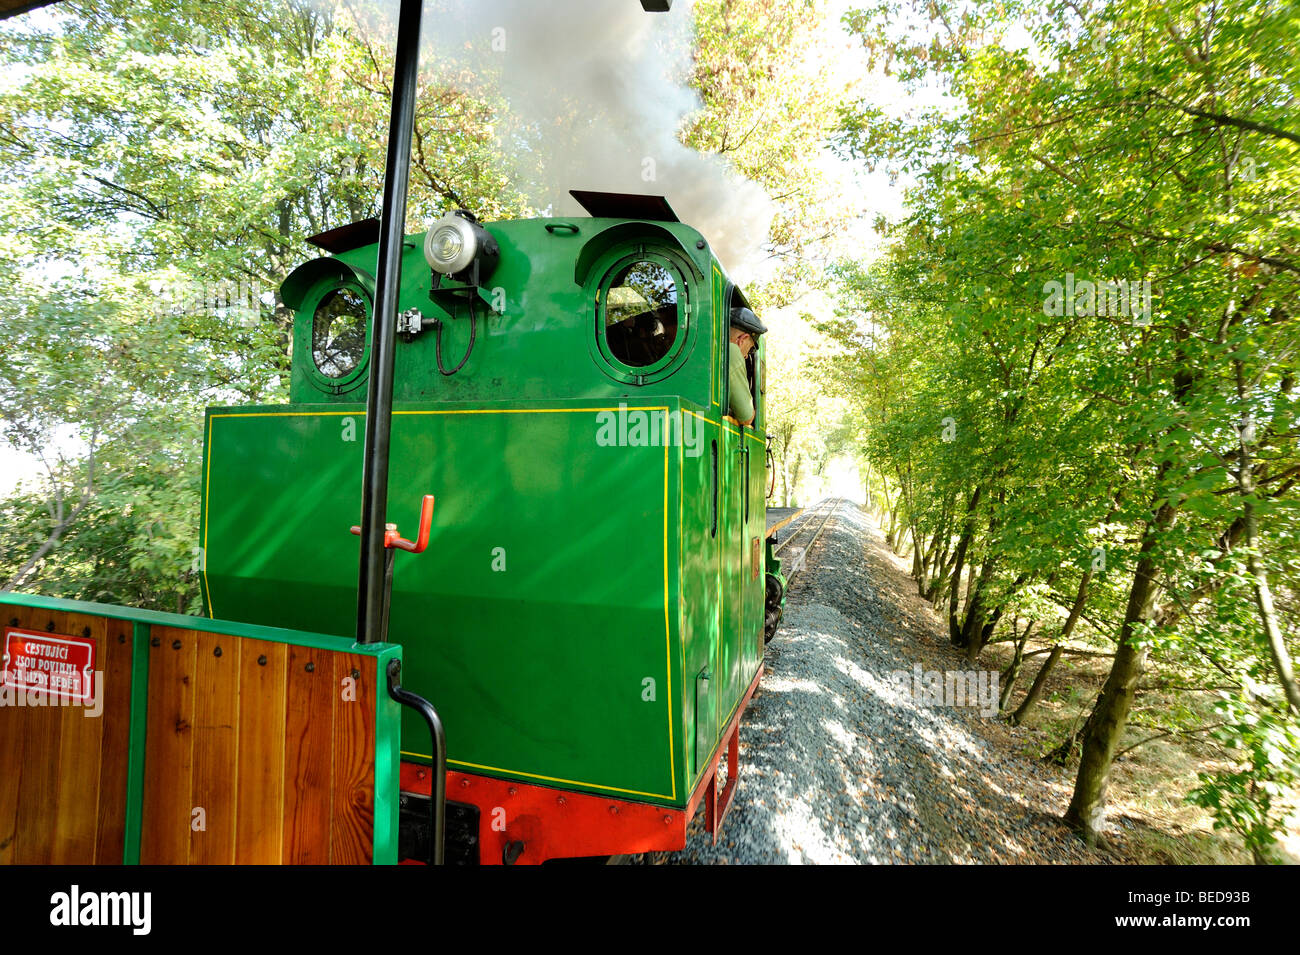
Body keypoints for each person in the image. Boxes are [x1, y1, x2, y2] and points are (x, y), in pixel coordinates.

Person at [727, 306, 766, 426]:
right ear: (742, 339)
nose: (745, 357)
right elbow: (746, 417)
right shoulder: (732, 350)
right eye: (750, 350)